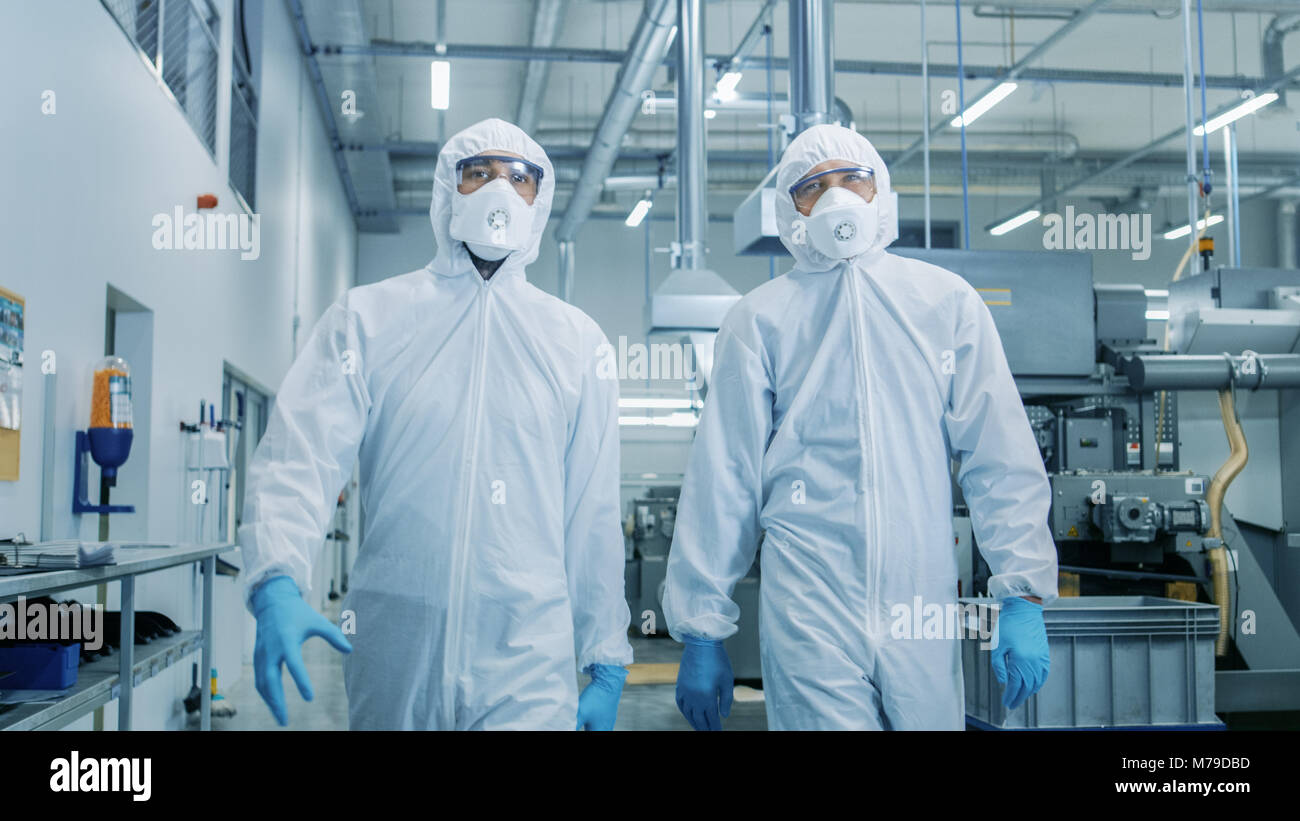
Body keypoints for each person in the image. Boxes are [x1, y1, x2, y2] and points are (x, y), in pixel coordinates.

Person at [238, 118, 633, 730]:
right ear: (450, 192)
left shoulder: (576, 343)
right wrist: (276, 580)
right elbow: (301, 455)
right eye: (480, 174)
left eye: (520, 179)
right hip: (395, 649)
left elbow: (593, 514)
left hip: (527, 655)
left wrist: (606, 658)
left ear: (539, 201)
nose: (500, 191)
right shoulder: (369, 318)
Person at [662, 124, 1056, 731]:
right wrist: (702, 627)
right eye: (813, 188)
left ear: (881, 192)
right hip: (808, 602)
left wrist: (1022, 591)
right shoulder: (759, 320)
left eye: (853, 179)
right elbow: (724, 479)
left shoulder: (944, 302)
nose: (835, 197)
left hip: (919, 601)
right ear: (789, 210)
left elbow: (997, 453)